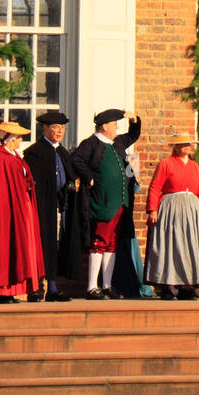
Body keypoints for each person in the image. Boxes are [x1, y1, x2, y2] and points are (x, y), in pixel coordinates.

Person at [0, 120, 45, 304]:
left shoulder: (13, 155)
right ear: (10, 138)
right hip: (6, 209)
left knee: (16, 248)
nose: (20, 140)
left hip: (20, 207)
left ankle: (11, 291)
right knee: (3, 245)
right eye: (18, 137)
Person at [73, 108, 141, 300]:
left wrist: (134, 120)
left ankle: (107, 285)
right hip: (102, 202)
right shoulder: (91, 143)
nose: (117, 127)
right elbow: (76, 159)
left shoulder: (117, 142)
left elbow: (134, 134)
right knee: (99, 244)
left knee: (111, 244)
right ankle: (92, 287)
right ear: (104, 126)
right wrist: (89, 178)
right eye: (113, 124)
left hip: (119, 202)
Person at [145, 136, 199, 300]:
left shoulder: (195, 166)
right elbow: (155, 188)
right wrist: (152, 209)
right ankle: (168, 286)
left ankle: (186, 287)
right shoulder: (166, 164)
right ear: (175, 147)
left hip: (191, 211)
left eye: (189, 144)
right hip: (171, 210)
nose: (187, 146)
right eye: (183, 144)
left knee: (189, 247)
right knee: (170, 247)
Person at [23, 111, 82, 301]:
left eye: (63, 128)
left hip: (60, 207)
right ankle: (35, 288)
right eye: (56, 128)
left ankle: (53, 288)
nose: (60, 132)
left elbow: (69, 176)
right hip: (41, 208)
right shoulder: (34, 153)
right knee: (40, 245)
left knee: (56, 246)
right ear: (45, 129)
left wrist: (73, 184)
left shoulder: (63, 152)